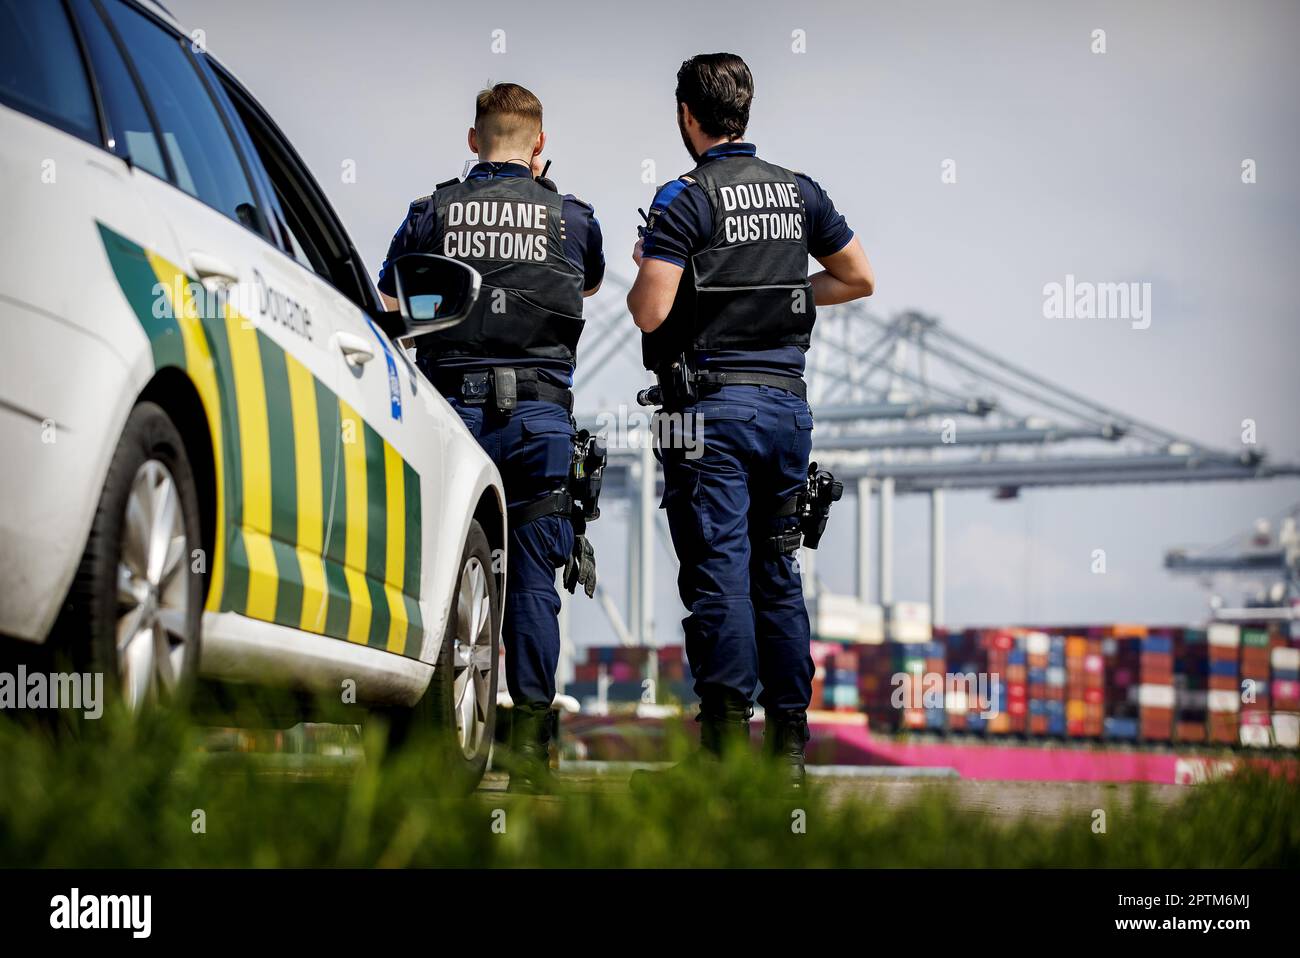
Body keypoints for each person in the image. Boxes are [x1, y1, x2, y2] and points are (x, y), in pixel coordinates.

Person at [626, 53, 874, 788]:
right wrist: (782, 295)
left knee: (718, 577)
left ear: (686, 116)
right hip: (787, 411)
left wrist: (650, 257)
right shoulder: (800, 194)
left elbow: (650, 310)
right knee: (779, 571)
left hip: (712, 412)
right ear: (746, 110)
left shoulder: (684, 198)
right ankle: (791, 752)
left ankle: (725, 751)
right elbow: (859, 278)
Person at [378, 82, 605, 793]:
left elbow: (388, 304)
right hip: (540, 420)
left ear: (472, 140)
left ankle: (428, 738)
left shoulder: (430, 213)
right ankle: (533, 749)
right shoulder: (572, 219)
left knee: (445, 573)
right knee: (536, 585)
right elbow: (586, 286)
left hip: (451, 419)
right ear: (540, 144)